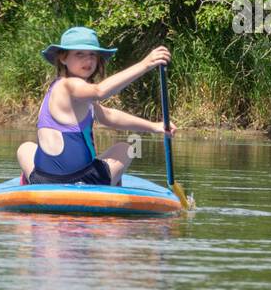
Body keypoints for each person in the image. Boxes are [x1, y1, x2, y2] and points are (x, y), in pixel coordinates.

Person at [16, 27, 174, 187]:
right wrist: (145, 64)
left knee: (25, 148)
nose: (88, 60)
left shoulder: (71, 93)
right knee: (125, 148)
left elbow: (109, 116)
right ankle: (110, 186)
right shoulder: (69, 85)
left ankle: (29, 180)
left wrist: (155, 127)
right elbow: (100, 91)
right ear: (63, 58)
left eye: (92, 55)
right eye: (80, 54)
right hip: (84, 181)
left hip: (42, 180)